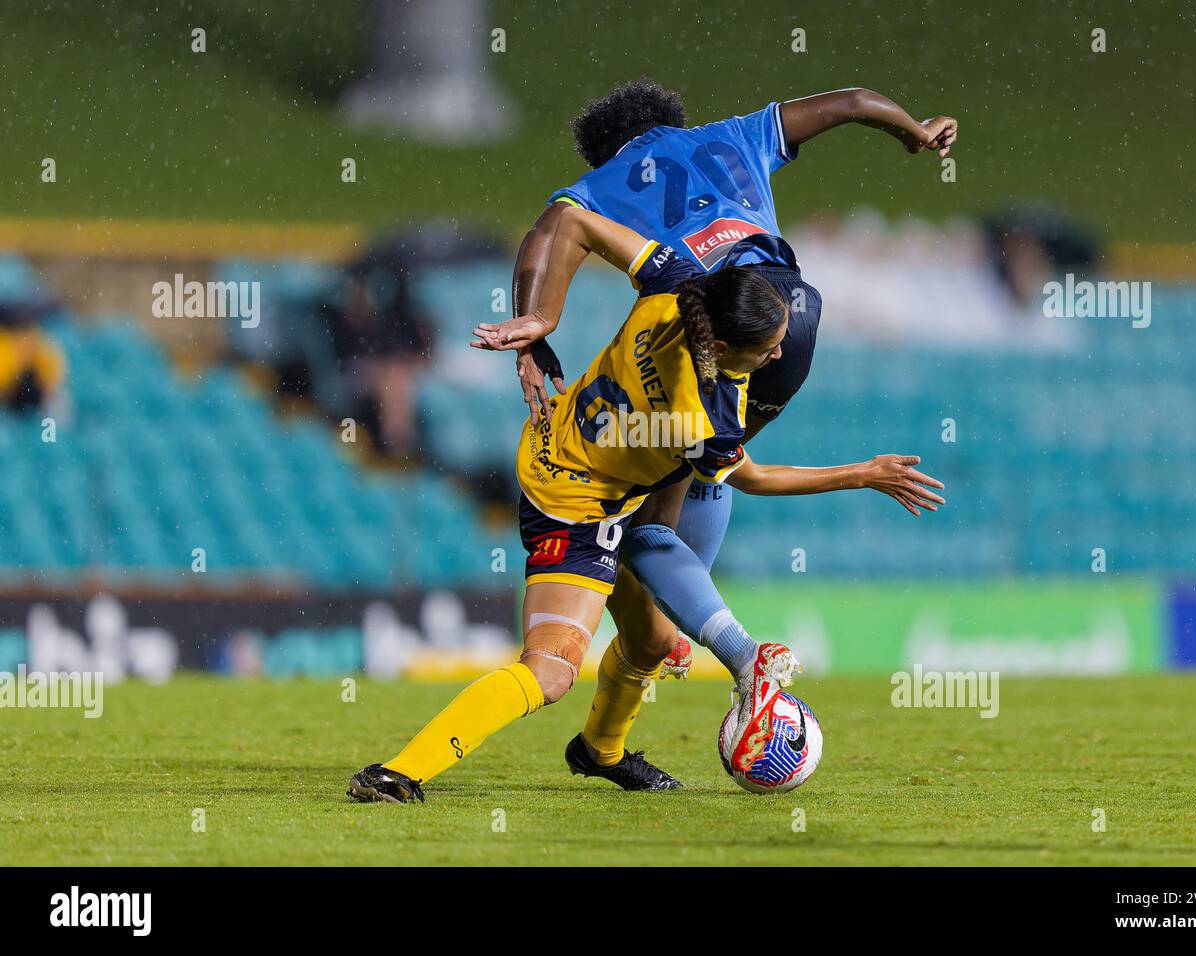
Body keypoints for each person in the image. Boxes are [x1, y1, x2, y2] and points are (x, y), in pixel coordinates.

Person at [347, 206, 945, 802]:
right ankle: (401, 771)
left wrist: (541, 319)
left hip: (569, 450)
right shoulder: (705, 418)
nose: (779, 357)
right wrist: (862, 474)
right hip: (575, 504)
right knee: (552, 670)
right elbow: (756, 479)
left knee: (654, 642)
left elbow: (572, 218)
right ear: (733, 347)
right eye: (770, 348)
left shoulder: (676, 282)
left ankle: (599, 752)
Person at [470, 79, 955, 789]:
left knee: (665, 504)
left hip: (725, 335)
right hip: (789, 314)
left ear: (607, 148)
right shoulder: (733, 135)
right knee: (692, 485)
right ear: (671, 121)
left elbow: (547, 235)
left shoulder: (598, 183)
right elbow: (851, 100)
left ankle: (689, 618)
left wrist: (535, 322)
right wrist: (913, 129)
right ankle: (638, 690)